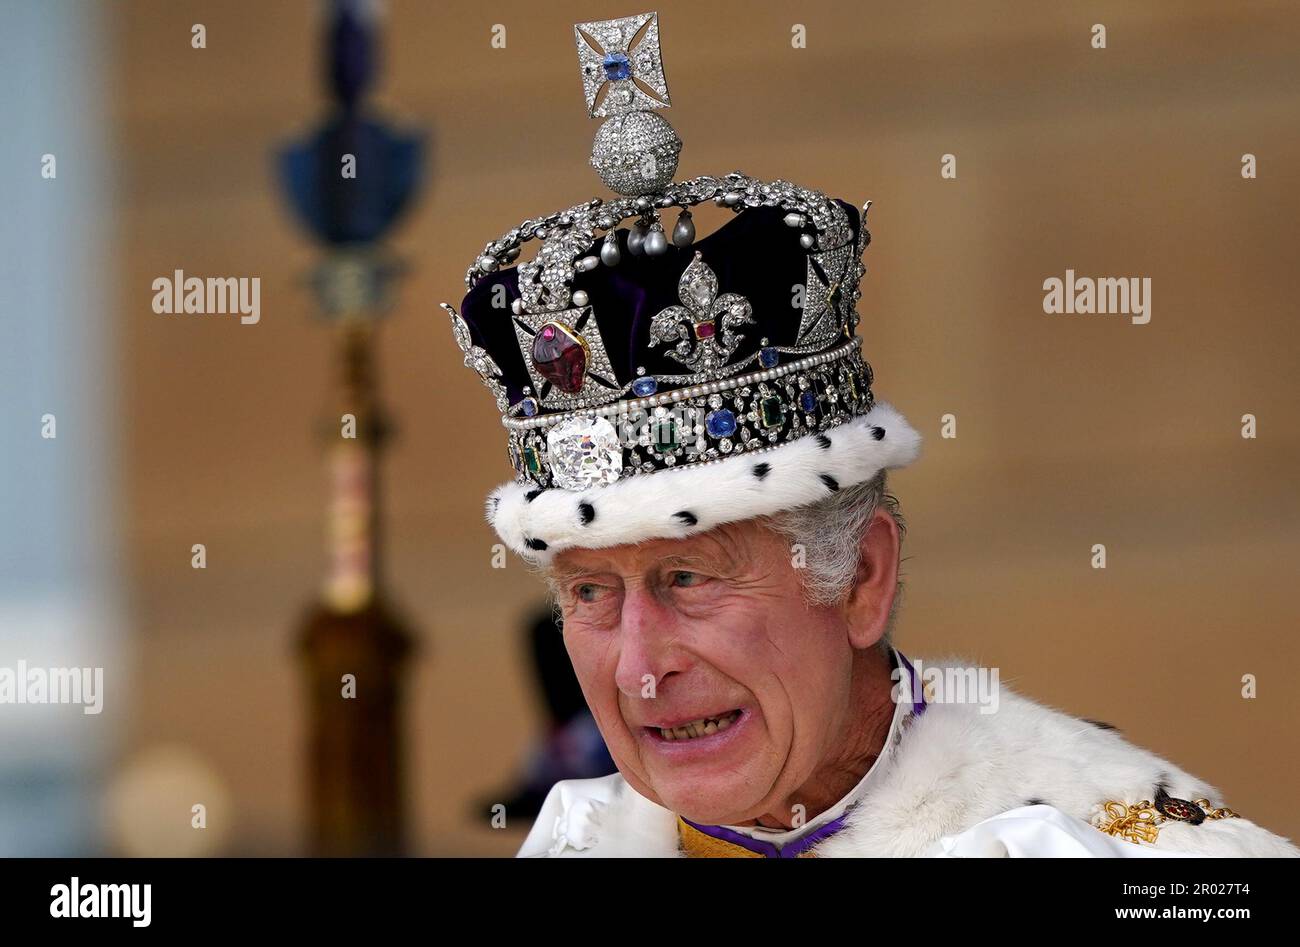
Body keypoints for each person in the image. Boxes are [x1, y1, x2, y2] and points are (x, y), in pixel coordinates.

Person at [441, 12, 1299, 857]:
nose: (638, 670)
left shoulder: (1111, 847)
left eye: (688, 575)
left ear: (861, 578)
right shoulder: (588, 841)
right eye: (591, 592)